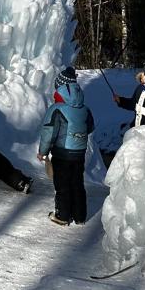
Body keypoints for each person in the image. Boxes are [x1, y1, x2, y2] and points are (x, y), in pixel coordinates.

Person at [37, 66, 94, 227]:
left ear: (59, 90)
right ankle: (80, 216)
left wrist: (43, 152)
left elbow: (49, 133)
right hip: (79, 153)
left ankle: (62, 216)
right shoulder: (85, 109)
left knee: (62, 184)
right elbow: (90, 127)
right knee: (77, 182)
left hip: (62, 153)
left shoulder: (56, 109)